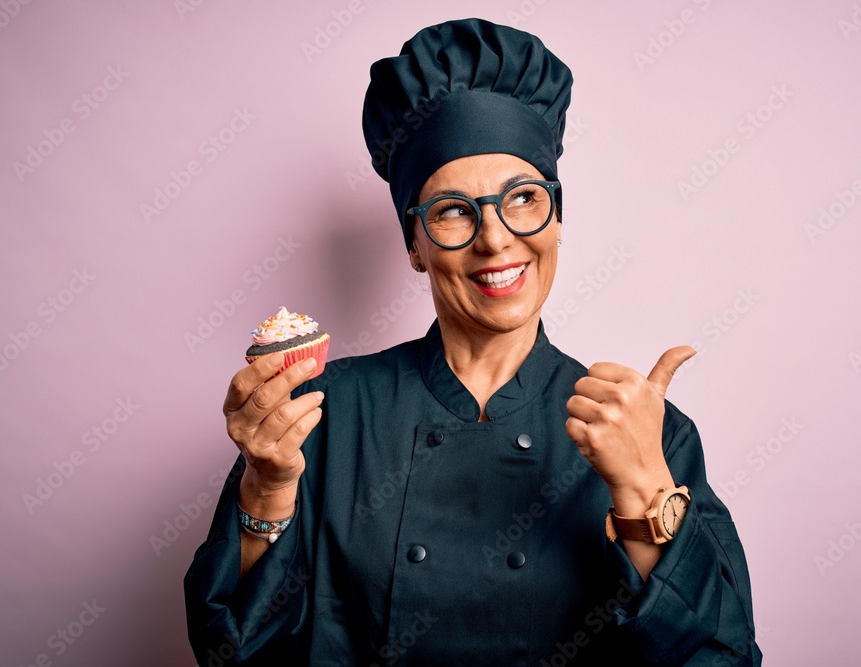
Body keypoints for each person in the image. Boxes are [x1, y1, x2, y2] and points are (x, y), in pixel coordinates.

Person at [185, 17, 761, 666]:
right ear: (414, 245)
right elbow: (231, 652)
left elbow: (723, 657)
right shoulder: (322, 415)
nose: (495, 239)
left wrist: (646, 495)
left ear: (557, 216)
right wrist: (266, 488)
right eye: (454, 210)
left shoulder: (643, 429)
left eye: (522, 198)